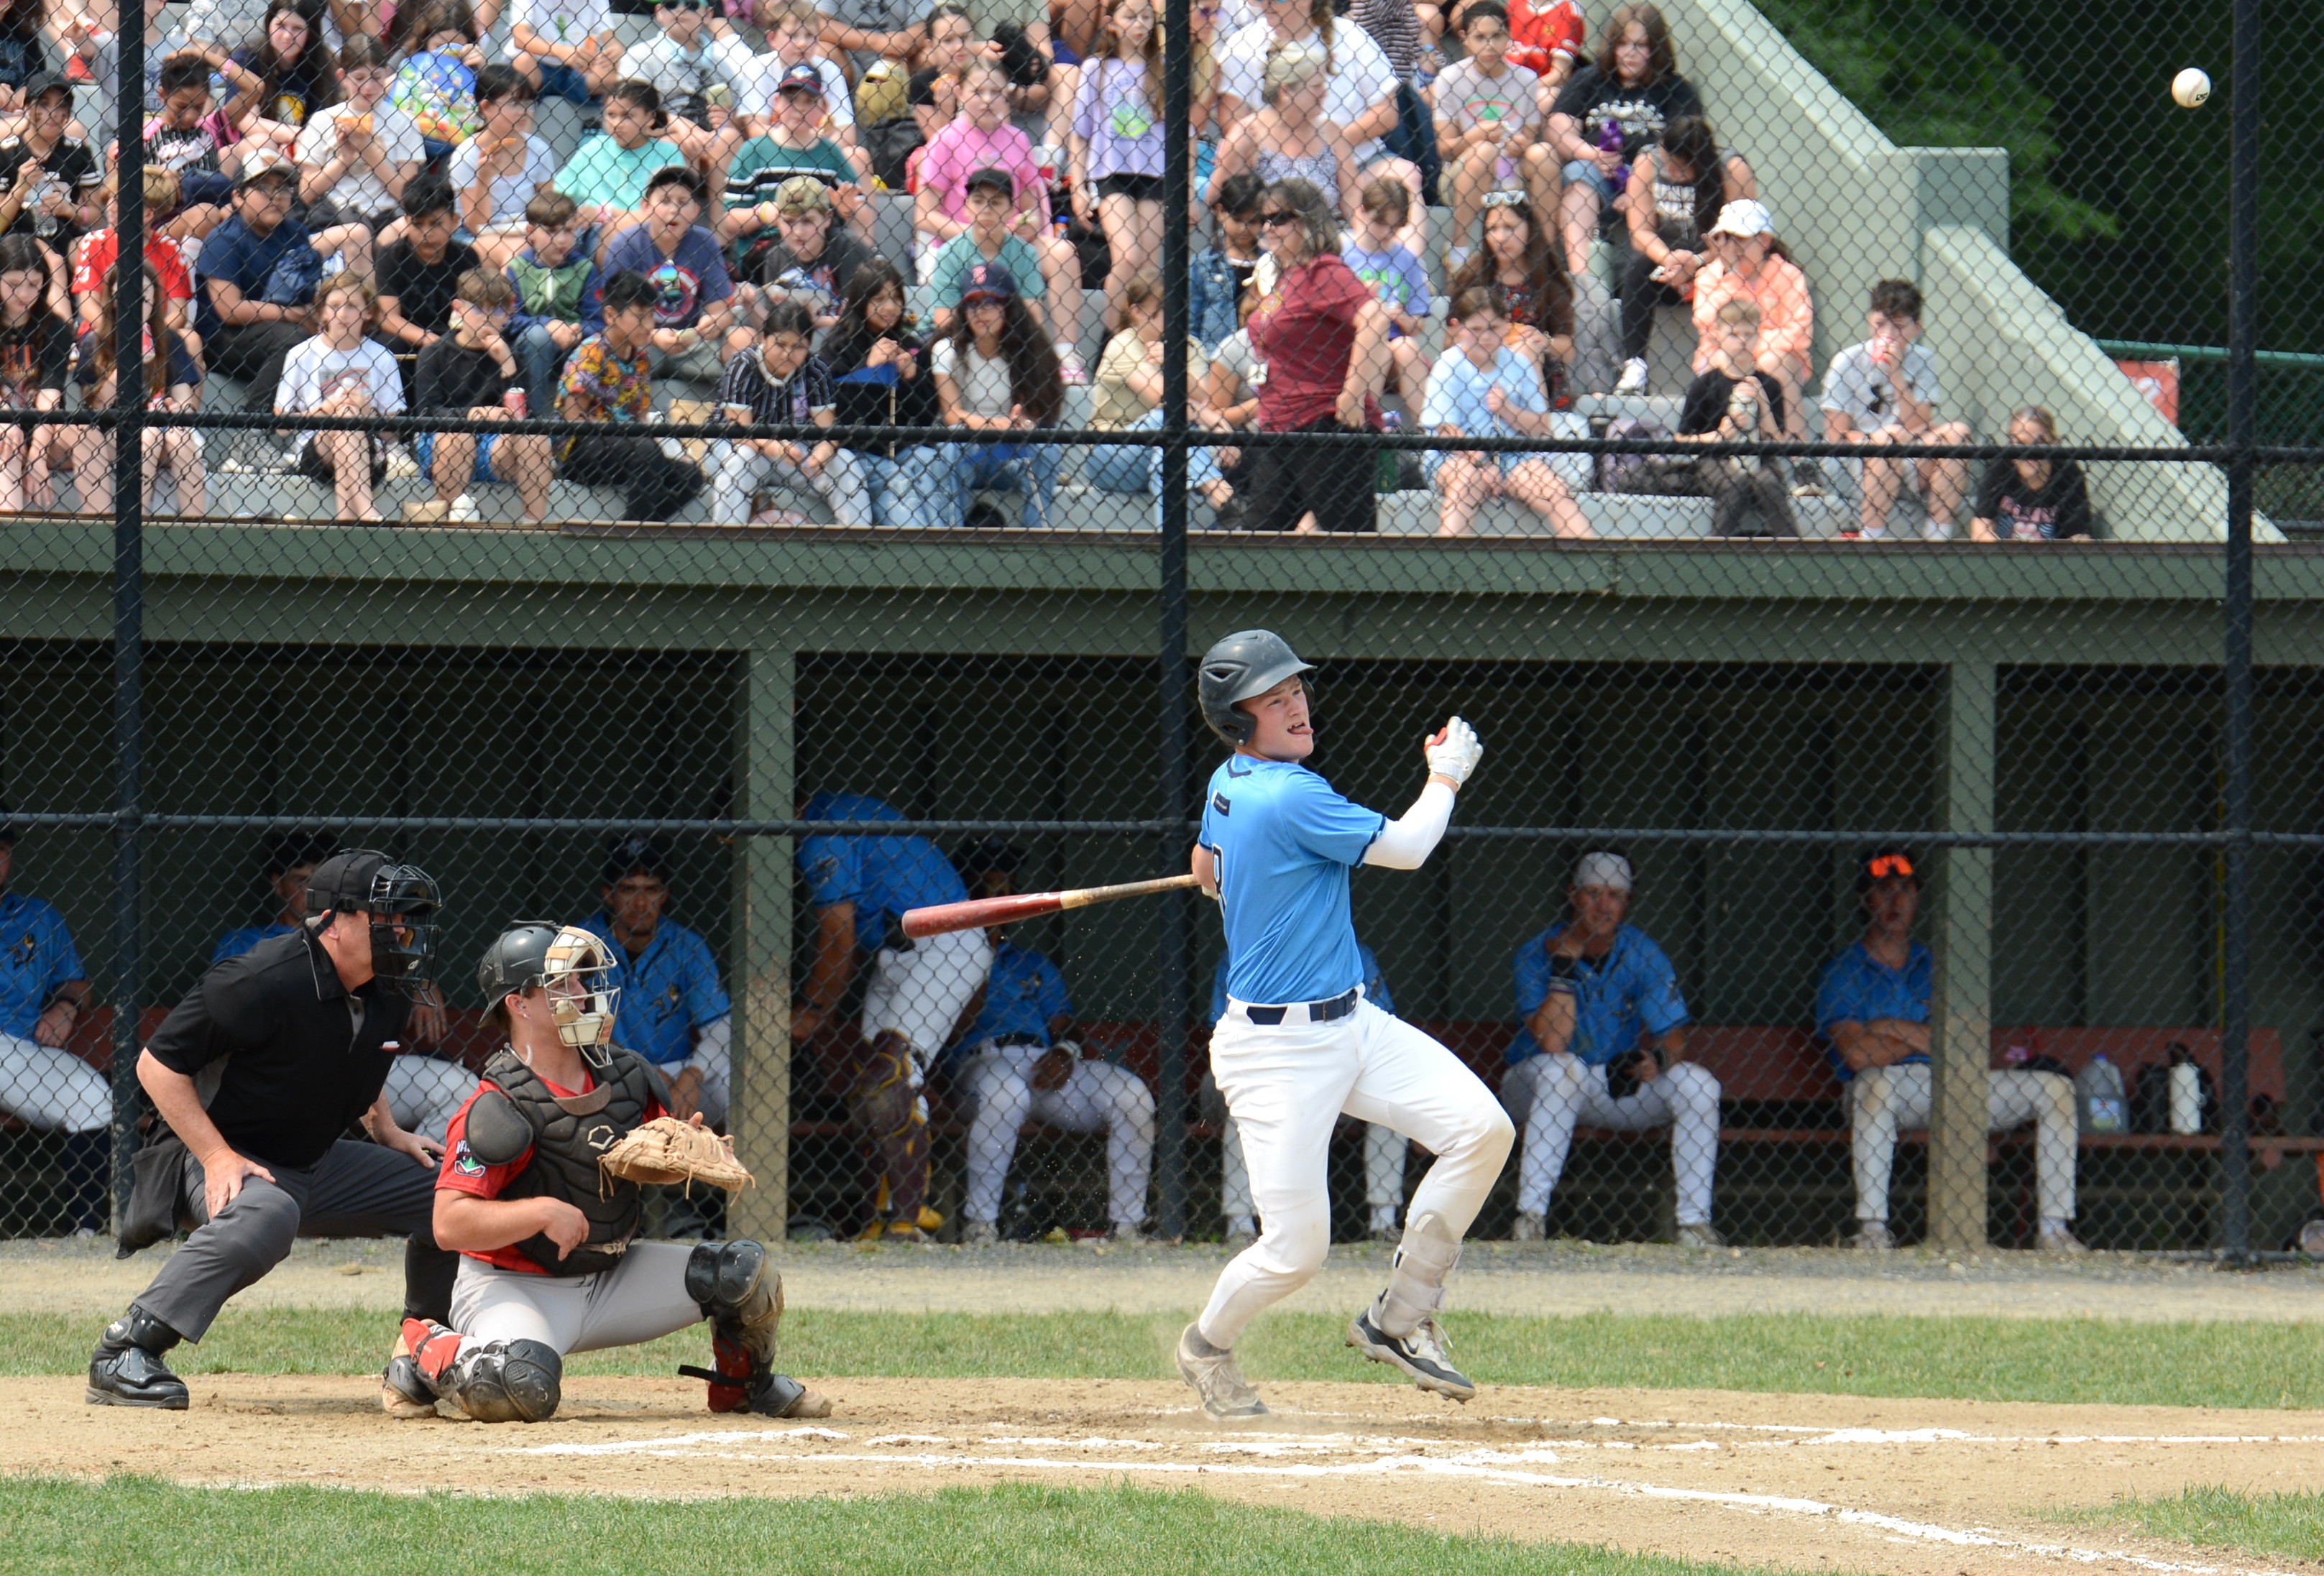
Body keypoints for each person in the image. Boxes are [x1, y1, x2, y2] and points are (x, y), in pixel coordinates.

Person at [1177, 630, 1507, 1420]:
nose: (1294, 704)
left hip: (1350, 1022)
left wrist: (1240, 873)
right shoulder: (1289, 794)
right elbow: (1409, 846)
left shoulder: (1231, 783)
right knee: (1296, 1251)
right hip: (1274, 1053)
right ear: (1236, 718)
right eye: (1272, 697)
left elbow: (1202, 866)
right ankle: (1206, 1346)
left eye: (1295, 690)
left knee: (1481, 1130)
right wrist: (1445, 776)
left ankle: (1398, 1317)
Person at [383, 923, 830, 1424]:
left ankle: (743, 1385)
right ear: (519, 1004)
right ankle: (426, 1344)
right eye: (563, 985)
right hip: (514, 1287)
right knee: (517, 1389)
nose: (583, 993)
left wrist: (679, 1153)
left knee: (745, 1273)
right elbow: (449, 1223)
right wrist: (541, 1211)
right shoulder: (495, 1105)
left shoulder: (626, 1076)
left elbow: (635, 1164)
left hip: (611, 1274)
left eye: (582, 980)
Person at [86, 850, 455, 1410]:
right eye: (386, 919)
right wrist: (215, 1156)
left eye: (406, 918)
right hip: (210, 1158)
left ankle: (422, 1351)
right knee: (270, 1212)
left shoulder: (389, 985)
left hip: (310, 1162)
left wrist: (387, 1129)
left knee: (446, 1189)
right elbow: (155, 1067)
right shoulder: (260, 979)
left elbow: (359, 1053)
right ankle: (127, 1348)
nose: (402, 931)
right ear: (334, 920)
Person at [1817, 849, 2084, 1253]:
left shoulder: (1936, 965)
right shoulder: (1844, 971)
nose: (1895, 901)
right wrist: (1921, 1035)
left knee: (2056, 1089)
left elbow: (1962, 1044)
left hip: (1957, 1082)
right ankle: (1872, 1229)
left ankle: (2053, 1231)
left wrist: (1887, 1027)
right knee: (1874, 1084)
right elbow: (1856, 1056)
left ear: (1918, 898)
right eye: (1883, 890)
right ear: (1864, 899)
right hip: (1889, 1090)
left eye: (1906, 890)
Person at [793, 789, 993, 1242]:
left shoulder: (822, 830)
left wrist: (814, 1012)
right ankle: (878, 1219)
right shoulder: (830, 815)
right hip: (896, 954)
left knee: (893, 1073)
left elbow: (838, 938)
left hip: (948, 941)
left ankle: (909, 1218)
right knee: (869, 1083)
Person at [1496, 850, 1722, 1247]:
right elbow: (1553, 1041)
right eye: (1593, 893)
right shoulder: (1538, 952)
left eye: (1615, 896)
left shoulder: (1641, 952)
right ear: (1573, 895)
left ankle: (1694, 1225)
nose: (1603, 906)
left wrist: (1658, 1060)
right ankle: (1530, 1219)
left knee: (1698, 1084)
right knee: (1561, 1069)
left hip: (1606, 1084)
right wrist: (1564, 963)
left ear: (1627, 903)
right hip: (1531, 1086)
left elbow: (1673, 1035)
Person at [947, 844, 1156, 1245]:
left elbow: (1066, 1027)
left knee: (1133, 1097)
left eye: (1003, 896)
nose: (996, 905)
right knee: (1006, 1094)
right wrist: (980, 953)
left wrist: (1065, 1053)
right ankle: (980, 1225)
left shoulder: (1031, 963)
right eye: (987, 894)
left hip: (1042, 1065)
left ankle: (1127, 1227)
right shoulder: (948, 959)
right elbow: (953, 1030)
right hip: (981, 1063)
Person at [212, 831, 472, 1140]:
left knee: (460, 1087)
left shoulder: (376, 940)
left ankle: (428, 1176)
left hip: (358, 1067)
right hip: (284, 1070)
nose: (311, 890)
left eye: (319, 881)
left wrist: (417, 979)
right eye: (300, 879)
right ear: (277, 883)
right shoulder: (247, 944)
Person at [1210, 942, 1413, 1245]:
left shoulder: (1354, 952)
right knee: (1241, 1112)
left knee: (1390, 1105)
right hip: (1270, 1072)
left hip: (1341, 1072)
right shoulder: (1243, 950)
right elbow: (1223, 1027)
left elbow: (1379, 1022)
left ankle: (1383, 1223)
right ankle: (1240, 1226)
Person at [912, 55, 1085, 382]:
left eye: (995, 91)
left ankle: (1064, 355)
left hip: (1010, 242)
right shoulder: (945, 140)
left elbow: (1032, 206)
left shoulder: (1018, 140)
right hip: (961, 242)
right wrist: (975, 232)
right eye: (978, 91)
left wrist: (1029, 226)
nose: (988, 100)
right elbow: (924, 215)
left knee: (1064, 254)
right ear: (962, 93)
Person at [1238, 178, 1385, 535]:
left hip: (1323, 427)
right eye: (1264, 219)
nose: (1268, 228)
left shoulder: (1324, 270)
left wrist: (1352, 395)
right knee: (1255, 544)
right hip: (1280, 429)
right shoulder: (1287, 277)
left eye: (1280, 218)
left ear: (1307, 221)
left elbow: (1375, 318)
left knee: (1351, 543)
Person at [572, 838, 735, 1126]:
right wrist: (639, 1071)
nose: (640, 903)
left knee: (732, 1077)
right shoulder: (580, 943)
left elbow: (720, 1029)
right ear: (608, 895)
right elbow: (570, 1030)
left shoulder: (686, 946)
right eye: (628, 889)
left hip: (677, 1072)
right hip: (608, 1069)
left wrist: (691, 1075)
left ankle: (736, 1164)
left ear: (664, 895)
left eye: (651, 890)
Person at [194, 155, 364, 415]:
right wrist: (296, 315)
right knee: (292, 339)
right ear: (238, 197)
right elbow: (231, 311)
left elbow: (304, 287)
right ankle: (253, 425)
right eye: (264, 188)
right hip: (225, 339)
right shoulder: (224, 239)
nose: (276, 197)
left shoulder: (294, 232)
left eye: (283, 189)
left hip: (279, 327)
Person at [1543, 2, 1701, 275]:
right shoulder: (1591, 78)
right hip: (1595, 171)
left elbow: (1684, 147)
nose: (1630, 53)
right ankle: (1584, 279)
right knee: (1579, 179)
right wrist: (1592, 154)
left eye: (1640, 46)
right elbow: (1559, 128)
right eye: (1623, 44)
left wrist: (1638, 188)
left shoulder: (1675, 89)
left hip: (1652, 179)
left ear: (1656, 49)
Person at [0, 821, 103, 1233]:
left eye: (2, 849)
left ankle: (86, 1234)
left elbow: (77, 981)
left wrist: (66, 1004)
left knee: (94, 1098)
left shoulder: (37, 916)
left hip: (15, 1051)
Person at [1422, 286, 1589, 538]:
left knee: (1555, 491)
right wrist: (1481, 462)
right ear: (1458, 327)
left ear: (1507, 326)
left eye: (1494, 328)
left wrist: (1507, 410)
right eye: (1476, 329)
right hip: (1455, 455)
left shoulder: (1518, 363)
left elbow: (1541, 425)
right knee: (1466, 482)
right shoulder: (1449, 364)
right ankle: (1448, 561)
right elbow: (1445, 431)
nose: (1485, 337)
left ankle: (1593, 560)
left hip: (1513, 454)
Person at [1819, 278, 1973, 540]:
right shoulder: (1846, 361)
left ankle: (1938, 537)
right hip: (1858, 459)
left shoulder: (1923, 359)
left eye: (1899, 327)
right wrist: (1881, 441)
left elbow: (1917, 425)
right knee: (1891, 437)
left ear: (1916, 328)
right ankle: (1871, 537)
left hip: (1910, 453)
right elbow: (1836, 435)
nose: (1887, 334)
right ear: (1870, 320)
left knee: (1958, 432)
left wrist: (1896, 376)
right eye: (1879, 324)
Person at [1612, 113, 1754, 396]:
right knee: (1638, 268)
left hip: (1717, 263)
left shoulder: (1732, 170)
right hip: (1666, 264)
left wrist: (1698, 261)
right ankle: (1636, 364)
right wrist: (1671, 261)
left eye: (1680, 168)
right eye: (1668, 163)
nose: (1671, 173)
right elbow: (1640, 232)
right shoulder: (1647, 162)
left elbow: (1743, 237)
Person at [554, 267, 708, 520]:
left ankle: (638, 526)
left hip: (630, 448)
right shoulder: (592, 353)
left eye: (651, 316)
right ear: (611, 315)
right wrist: (625, 436)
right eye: (639, 317)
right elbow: (574, 420)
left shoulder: (641, 359)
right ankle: (632, 534)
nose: (649, 326)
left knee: (690, 476)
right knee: (646, 451)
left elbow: (641, 416)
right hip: (582, 449)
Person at [408, 268, 556, 523]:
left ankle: (534, 526)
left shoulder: (513, 356)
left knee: (535, 439)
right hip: (442, 440)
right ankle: (449, 517)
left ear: (508, 315)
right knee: (457, 434)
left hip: (497, 447)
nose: (487, 318)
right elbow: (427, 412)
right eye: (478, 308)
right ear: (459, 308)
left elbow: (526, 417)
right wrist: (474, 415)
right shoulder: (434, 354)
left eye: (497, 310)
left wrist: (507, 366)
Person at [1087, 270, 1232, 524]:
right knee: (1164, 419)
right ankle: (1220, 493)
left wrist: (1174, 360)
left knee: (1167, 460)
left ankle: (1169, 550)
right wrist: (1217, 426)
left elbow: (1204, 398)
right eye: (1165, 307)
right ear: (1137, 312)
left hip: (1166, 449)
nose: (1176, 312)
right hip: (1112, 453)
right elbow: (1161, 397)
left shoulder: (1189, 346)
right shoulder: (1123, 344)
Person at [709, 296, 866, 525]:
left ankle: (858, 543)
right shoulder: (743, 363)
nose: (788, 354)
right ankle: (724, 540)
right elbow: (738, 431)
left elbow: (827, 431)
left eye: (798, 346)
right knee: (742, 459)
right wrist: (775, 446)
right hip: (737, 447)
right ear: (764, 338)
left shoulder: (815, 370)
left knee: (844, 461)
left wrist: (821, 453)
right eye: (780, 344)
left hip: (794, 453)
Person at [822, 254, 951, 530]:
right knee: (900, 481)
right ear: (861, 300)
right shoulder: (838, 346)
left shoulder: (913, 345)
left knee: (932, 462)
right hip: (857, 452)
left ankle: (947, 541)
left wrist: (912, 377)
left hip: (903, 448)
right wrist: (870, 370)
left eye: (896, 298)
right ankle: (924, 545)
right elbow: (840, 415)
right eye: (879, 299)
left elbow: (925, 418)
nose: (890, 307)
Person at [932, 259, 1062, 529]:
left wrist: (1022, 423)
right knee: (948, 449)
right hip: (970, 448)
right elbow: (952, 416)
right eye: (972, 304)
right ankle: (950, 540)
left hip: (1012, 453)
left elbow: (1036, 413)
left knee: (1047, 450)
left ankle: (1035, 540)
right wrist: (998, 424)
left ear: (1009, 307)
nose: (981, 312)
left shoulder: (1031, 350)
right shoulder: (946, 350)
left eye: (990, 302)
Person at [73, 264, 208, 520]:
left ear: (154, 301)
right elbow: (96, 405)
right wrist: (128, 361)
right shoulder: (95, 342)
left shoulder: (167, 339)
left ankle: (197, 525)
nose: (135, 308)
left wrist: (177, 408)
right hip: (111, 432)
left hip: (159, 424)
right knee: (149, 437)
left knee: (179, 440)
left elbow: (185, 400)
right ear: (112, 301)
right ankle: (136, 523)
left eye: (143, 299)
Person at [1654, 295, 1793, 536]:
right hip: (1715, 458)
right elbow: (1682, 438)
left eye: (1749, 334)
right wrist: (1719, 435)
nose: (1742, 341)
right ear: (1717, 335)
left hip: (1760, 456)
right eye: (1734, 334)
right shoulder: (1705, 385)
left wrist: (1762, 403)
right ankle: (1717, 551)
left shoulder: (1770, 384)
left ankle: (1795, 550)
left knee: (1768, 483)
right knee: (1734, 485)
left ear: (1758, 336)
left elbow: (1779, 439)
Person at [723, 66, 868, 285]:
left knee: (849, 246)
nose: (800, 109)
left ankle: (850, 306)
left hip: (819, 240)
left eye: (809, 102)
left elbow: (856, 207)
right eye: (791, 100)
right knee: (784, 250)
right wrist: (762, 213)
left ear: (824, 108)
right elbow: (730, 221)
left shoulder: (831, 154)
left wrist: (846, 210)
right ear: (777, 103)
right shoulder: (754, 151)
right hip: (767, 244)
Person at [1067, 0, 1162, 333]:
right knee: (1128, 256)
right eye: (1131, 16)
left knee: (1149, 266)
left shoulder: (1162, 67)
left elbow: (1184, 132)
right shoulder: (1097, 68)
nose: (1139, 24)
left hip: (1153, 174)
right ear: (1112, 24)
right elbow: (1080, 134)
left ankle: (1146, 337)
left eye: (1146, 17)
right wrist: (1078, 187)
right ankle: (1114, 339)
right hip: (1111, 174)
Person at [275, 272, 403, 520]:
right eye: (334, 306)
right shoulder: (301, 355)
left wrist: (367, 413)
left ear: (367, 313)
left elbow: (392, 435)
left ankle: (345, 518)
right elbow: (281, 427)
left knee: (348, 417)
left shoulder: (382, 357)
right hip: (316, 452)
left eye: (352, 306)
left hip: (370, 453)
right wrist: (325, 410)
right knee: (342, 418)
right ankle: (365, 509)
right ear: (323, 312)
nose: (342, 314)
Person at [1688, 198, 1810, 441]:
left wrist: (1747, 346)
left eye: (1741, 239)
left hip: (1777, 363)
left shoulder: (1787, 275)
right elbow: (1709, 324)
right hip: (1721, 357)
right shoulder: (1708, 277)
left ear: (1764, 241)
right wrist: (1731, 276)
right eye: (1726, 238)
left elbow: (1799, 333)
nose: (1733, 247)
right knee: (1721, 359)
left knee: (1775, 361)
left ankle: (1799, 452)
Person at [1432, 4, 1543, 269]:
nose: (1490, 45)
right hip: (1464, 174)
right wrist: (1475, 136)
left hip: (1513, 169)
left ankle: (1544, 251)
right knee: (1485, 150)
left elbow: (1529, 135)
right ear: (1465, 39)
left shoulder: (1527, 79)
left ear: (1509, 37)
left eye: (1497, 36)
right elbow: (1445, 149)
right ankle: (1459, 246)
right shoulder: (1449, 79)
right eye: (1480, 37)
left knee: (1545, 154)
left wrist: (1522, 144)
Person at [603, 162, 736, 383]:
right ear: (645, 207)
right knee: (617, 347)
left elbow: (721, 310)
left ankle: (734, 406)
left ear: (695, 211)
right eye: (664, 201)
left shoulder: (704, 242)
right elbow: (612, 316)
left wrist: (714, 323)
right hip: (641, 342)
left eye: (683, 203)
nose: (674, 210)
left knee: (741, 337)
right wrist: (652, 336)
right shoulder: (625, 245)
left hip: (692, 344)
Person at [1206, 40, 1350, 230]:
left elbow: (1352, 200)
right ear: (1286, 91)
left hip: (1326, 239)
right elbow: (1214, 197)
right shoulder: (1249, 133)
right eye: (1316, 86)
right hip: (1267, 242)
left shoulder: (1330, 131)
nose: (1324, 93)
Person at [295, 39, 426, 243]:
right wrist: (343, 160)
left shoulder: (404, 122)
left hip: (386, 217)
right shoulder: (323, 120)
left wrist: (367, 150)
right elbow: (306, 193)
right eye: (359, 78)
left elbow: (407, 195)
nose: (369, 86)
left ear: (386, 76)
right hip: (335, 216)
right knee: (356, 236)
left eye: (376, 77)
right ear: (342, 77)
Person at [0, 234, 86, 512]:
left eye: (34, 285)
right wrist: (5, 421)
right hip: (3, 425)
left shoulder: (55, 328)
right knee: (8, 447)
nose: (24, 295)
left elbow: (50, 394)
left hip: (43, 425)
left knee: (89, 436)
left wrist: (37, 451)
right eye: (13, 285)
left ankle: (104, 532)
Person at [729, 175, 872, 339]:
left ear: (827, 218)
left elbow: (858, 320)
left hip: (843, 341)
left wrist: (814, 322)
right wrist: (751, 305)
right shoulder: (776, 256)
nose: (798, 232)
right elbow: (773, 333)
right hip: (795, 345)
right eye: (789, 222)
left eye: (808, 222)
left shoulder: (847, 248)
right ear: (777, 222)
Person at [504, 188, 605, 420]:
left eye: (568, 231)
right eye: (550, 232)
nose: (561, 240)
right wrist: (547, 324)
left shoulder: (585, 269)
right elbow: (509, 319)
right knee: (538, 337)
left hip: (573, 345)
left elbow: (597, 320)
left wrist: (576, 332)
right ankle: (536, 421)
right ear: (530, 233)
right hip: (531, 347)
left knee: (596, 344)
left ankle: (578, 426)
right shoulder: (518, 269)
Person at [555, 78, 691, 247]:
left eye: (628, 116)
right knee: (618, 236)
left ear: (650, 118)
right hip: (601, 232)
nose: (617, 124)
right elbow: (559, 196)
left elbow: (674, 207)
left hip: (654, 230)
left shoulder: (667, 154)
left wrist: (606, 213)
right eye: (611, 115)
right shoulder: (592, 150)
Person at [449, 65, 556, 270]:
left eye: (527, 103)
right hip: (477, 236)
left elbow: (548, 209)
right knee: (515, 254)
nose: (523, 111)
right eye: (514, 103)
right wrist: (484, 178)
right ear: (486, 107)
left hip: (527, 230)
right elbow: (475, 225)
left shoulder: (539, 149)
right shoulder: (467, 155)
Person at [924, 165, 1048, 337]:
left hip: (1010, 338)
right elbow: (944, 320)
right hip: (960, 338)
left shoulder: (1026, 253)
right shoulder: (950, 253)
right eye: (978, 201)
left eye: (996, 202)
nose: (986, 210)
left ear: (1011, 210)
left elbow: (1033, 317)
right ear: (966, 207)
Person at [1340, 175, 1430, 409]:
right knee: (1377, 345)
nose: (1387, 233)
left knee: (1405, 347)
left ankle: (1431, 434)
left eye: (1396, 226)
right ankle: (1366, 423)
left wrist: (1402, 319)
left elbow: (1418, 324)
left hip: (1394, 345)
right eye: (1380, 223)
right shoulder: (1341, 253)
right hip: (1350, 345)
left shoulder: (1406, 259)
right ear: (1361, 212)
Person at [378, 171, 481, 368]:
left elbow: (474, 311)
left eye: (436, 224)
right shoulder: (391, 256)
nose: (427, 233)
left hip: (453, 334)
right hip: (407, 334)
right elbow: (387, 317)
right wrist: (429, 340)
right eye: (418, 224)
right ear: (407, 222)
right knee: (391, 345)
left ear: (455, 222)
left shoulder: (467, 258)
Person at [0, 73, 101, 247]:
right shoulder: (7, 152)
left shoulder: (77, 152)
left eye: (61, 106)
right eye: (44, 104)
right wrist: (20, 188)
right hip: (18, 242)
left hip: (65, 239)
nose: (53, 113)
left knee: (80, 252)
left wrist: (70, 210)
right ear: (27, 107)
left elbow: (96, 214)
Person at [1969, 405, 2091, 542]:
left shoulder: (2068, 472)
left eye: (2040, 442)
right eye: (2021, 443)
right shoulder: (2000, 466)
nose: (2030, 452)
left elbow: (2080, 537)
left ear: (2054, 443)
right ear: (2011, 444)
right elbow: (1980, 527)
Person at [1189, 169, 1261, 353]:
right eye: (1237, 220)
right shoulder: (1204, 264)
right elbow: (1191, 321)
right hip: (1216, 356)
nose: (1245, 228)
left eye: (1253, 221)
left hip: (1261, 354)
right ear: (1221, 212)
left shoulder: (1272, 262)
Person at [506, 0, 625, 103]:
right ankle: (524, 112)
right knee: (523, 61)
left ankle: (603, 123)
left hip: (577, 69)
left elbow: (610, 39)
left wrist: (615, 51)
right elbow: (520, 37)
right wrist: (561, 52)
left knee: (611, 72)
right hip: (537, 64)